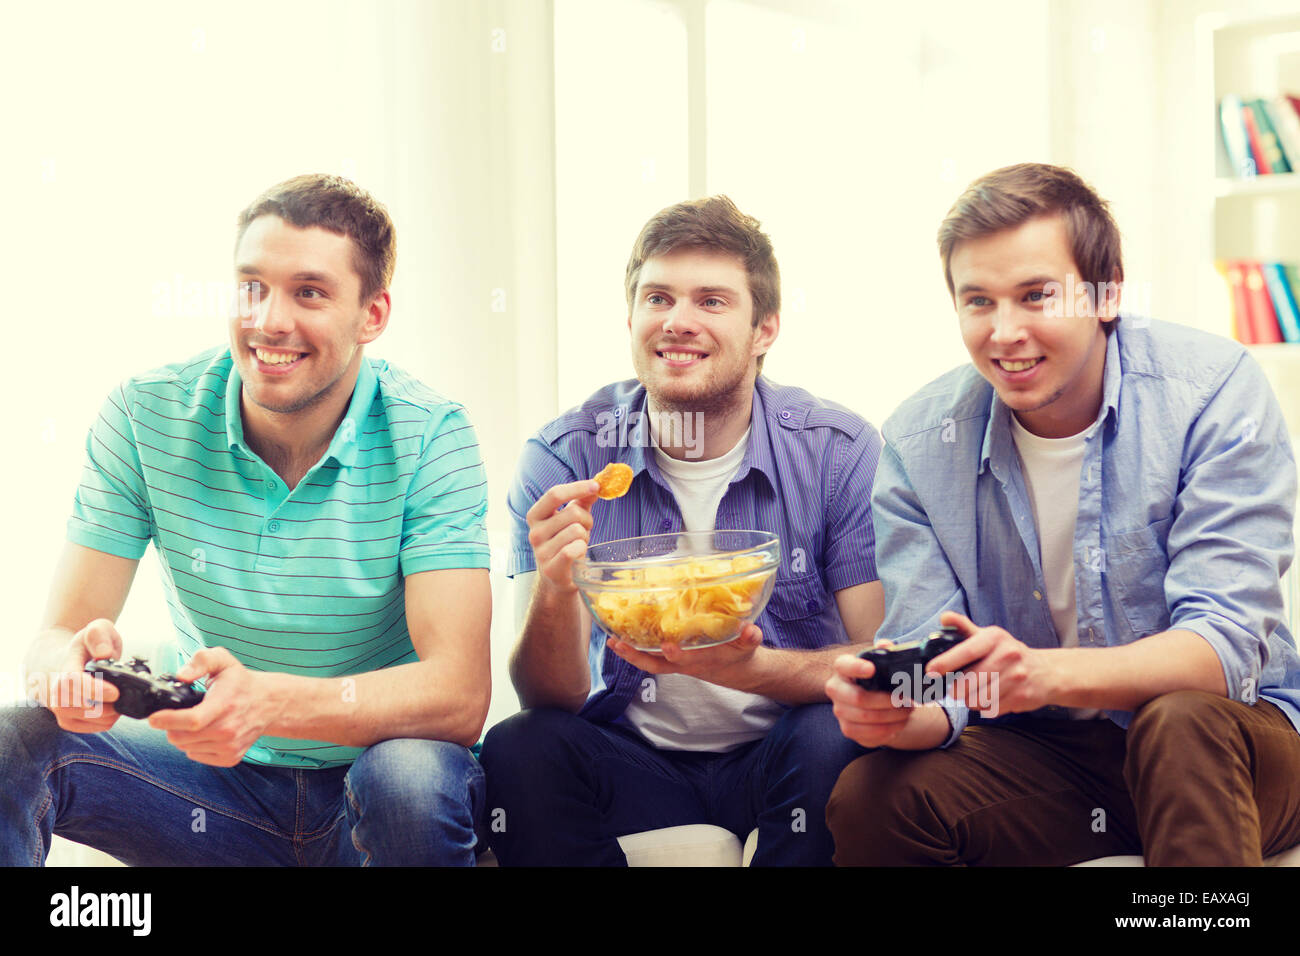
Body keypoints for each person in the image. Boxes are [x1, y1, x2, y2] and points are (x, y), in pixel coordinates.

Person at [0, 174, 493, 866]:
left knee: (407, 781)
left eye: (309, 292)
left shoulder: (431, 435)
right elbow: (55, 636)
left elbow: (459, 694)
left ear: (372, 315)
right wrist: (67, 672)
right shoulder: (146, 414)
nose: (267, 321)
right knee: (14, 739)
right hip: (210, 794)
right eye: (251, 286)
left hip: (369, 790)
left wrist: (270, 704)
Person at [824, 162, 1300, 866]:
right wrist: (895, 713)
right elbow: (942, 679)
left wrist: (1042, 673)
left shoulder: (1210, 390)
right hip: (1056, 757)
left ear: (1105, 293)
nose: (1005, 331)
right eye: (978, 301)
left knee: (1178, 721)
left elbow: (1222, 647)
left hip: (1232, 741)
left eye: (1036, 295)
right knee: (872, 795)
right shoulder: (921, 442)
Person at [480, 195, 884, 866]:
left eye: (712, 301)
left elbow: (875, 658)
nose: (678, 322)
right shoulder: (564, 454)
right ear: (631, 317)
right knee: (521, 745)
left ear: (765, 329)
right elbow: (548, 695)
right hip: (633, 762)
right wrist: (557, 585)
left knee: (831, 734)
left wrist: (752, 669)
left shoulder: (837, 451)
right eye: (658, 298)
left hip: (784, 755)